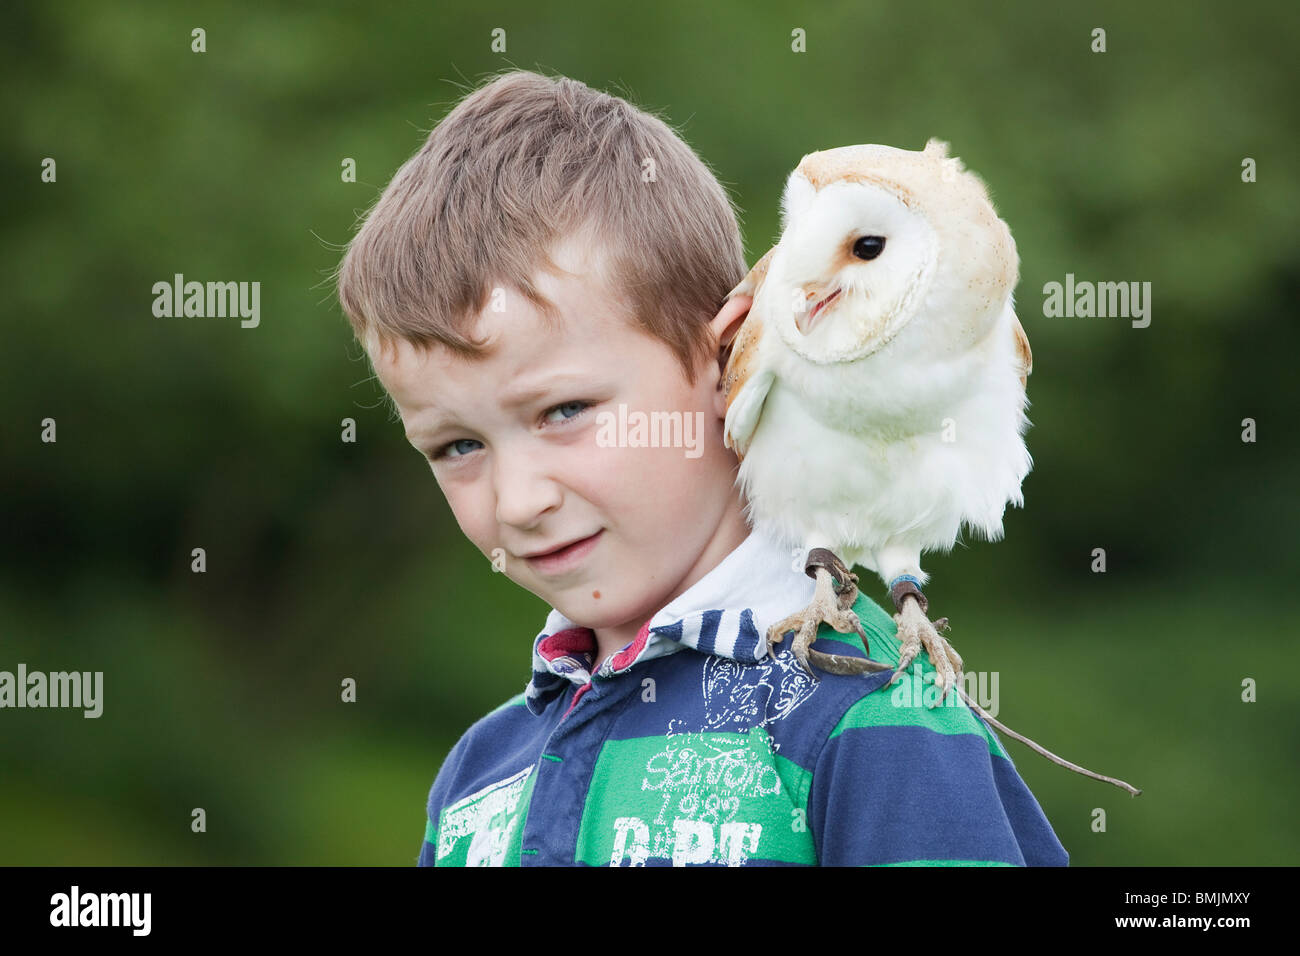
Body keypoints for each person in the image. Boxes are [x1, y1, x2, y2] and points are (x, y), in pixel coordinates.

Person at [335, 69, 1068, 866]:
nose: (518, 501)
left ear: (726, 356)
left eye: (564, 412)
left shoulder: (868, 716)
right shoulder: (480, 775)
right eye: (458, 447)